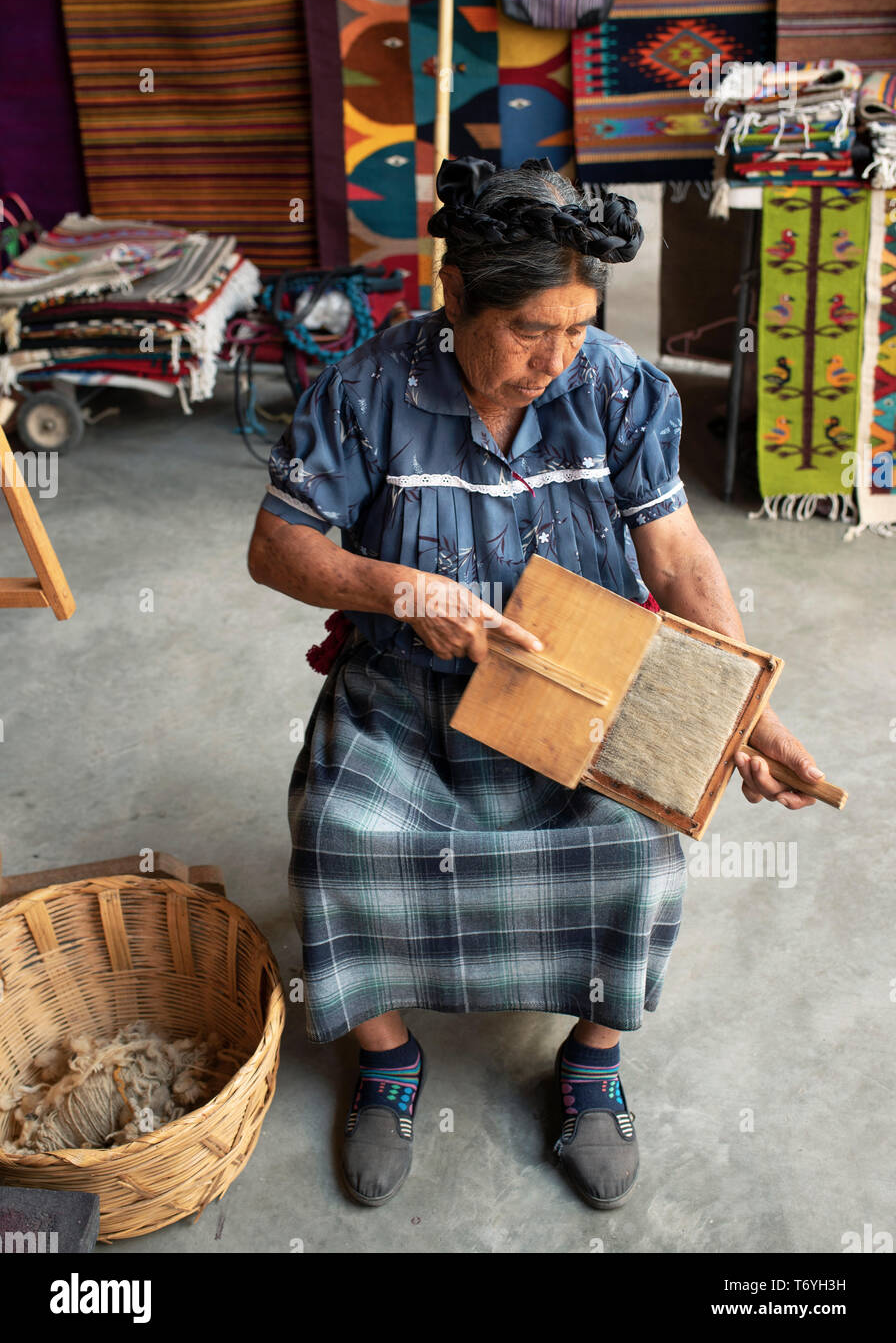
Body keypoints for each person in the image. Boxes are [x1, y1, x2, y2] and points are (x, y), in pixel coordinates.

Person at [247, 155, 824, 1211]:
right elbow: (276, 549)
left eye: (575, 326)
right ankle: (385, 1061)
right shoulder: (366, 389)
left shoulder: (614, 386)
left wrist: (744, 708)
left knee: (642, 848)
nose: (555, 360)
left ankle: (591, 1064)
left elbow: (678, 560)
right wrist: (405, 589)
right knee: (335, 834)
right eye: (528, 331)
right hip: (404, 696)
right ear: (455, 292)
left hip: (578, 691)